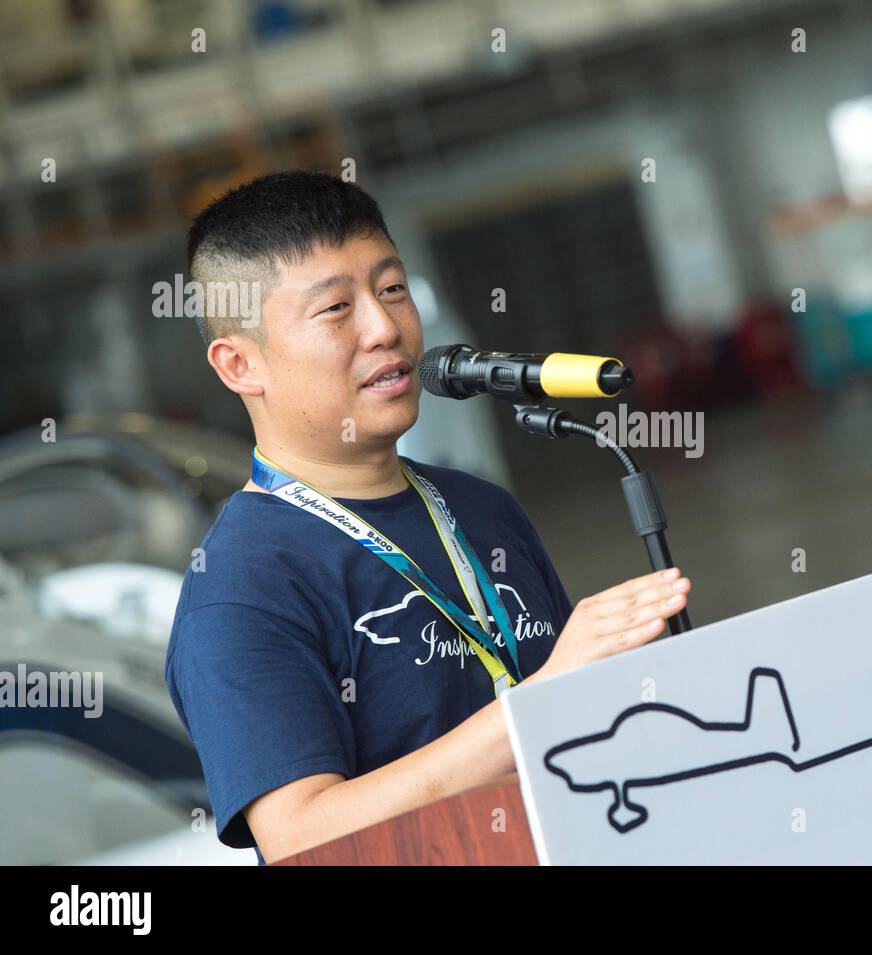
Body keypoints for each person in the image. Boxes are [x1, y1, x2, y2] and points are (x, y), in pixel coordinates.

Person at [165, 171, 692, 864]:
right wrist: (537, 704)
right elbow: (302, 835)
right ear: (240, 365)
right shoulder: (240, 588)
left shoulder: (481, 507)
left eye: (391, 289)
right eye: (335, 310)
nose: (386, 328)